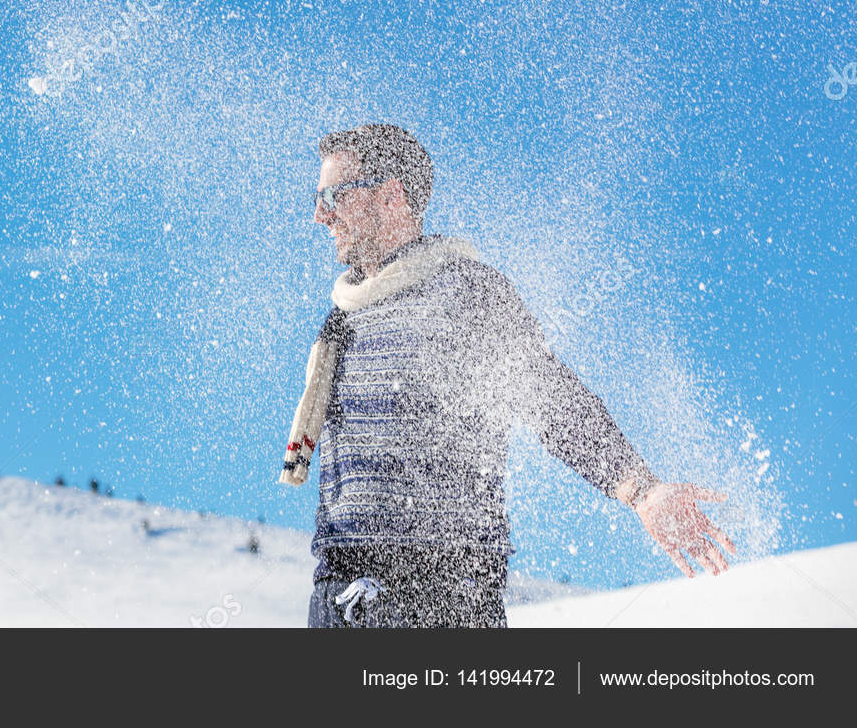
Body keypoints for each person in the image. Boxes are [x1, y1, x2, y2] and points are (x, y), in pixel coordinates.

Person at [279, 124, 735, 628]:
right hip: (339, 598)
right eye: (317, 198)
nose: (320, 215)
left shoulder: (466, 293)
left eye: (334, 195)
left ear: (390, 196)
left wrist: (642, 490)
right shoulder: (341, 321)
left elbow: (549, 397)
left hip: (443, 597)